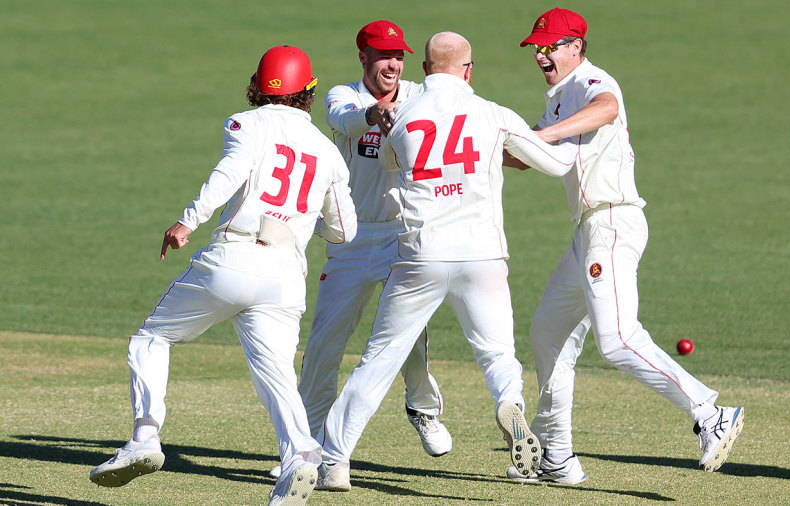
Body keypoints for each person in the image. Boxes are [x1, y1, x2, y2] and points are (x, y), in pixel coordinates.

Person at [88, 45, 357, 506]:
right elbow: (344, 231)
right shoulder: (328, 152)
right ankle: (300, 457)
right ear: (308, 94)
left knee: (151, 339)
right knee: (276, 374)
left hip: (233, 258)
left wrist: (188, 221)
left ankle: (145, 439)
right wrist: (298, 214)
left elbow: (229, 171)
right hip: (285, 275)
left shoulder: (246, 123)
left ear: (258, 86)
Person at [314, 31, 579, 492]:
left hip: (421, 254)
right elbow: (555, 165)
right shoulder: (493, 113)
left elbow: (394, 166)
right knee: (498, 353)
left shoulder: (404, 116)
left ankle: (335, 461)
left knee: (378, 359)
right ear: (468, 70)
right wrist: (585, 135)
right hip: (483, 255)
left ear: (424, 69)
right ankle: (508, 401)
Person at [504, 8, 744, 484]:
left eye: (551, 45)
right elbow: (534, 157)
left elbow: (609, 107)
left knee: (616, 340)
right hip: (586, 233)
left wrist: (542, 134)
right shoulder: (557, 97)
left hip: (612, 222)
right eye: (537, 46)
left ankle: (710, 412)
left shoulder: (591, 81)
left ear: (576, 45)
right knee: (548, 333)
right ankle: (558, 456)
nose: (542, 54)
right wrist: (485, 149)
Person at [295, 19, 451, 461]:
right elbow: (342, 120)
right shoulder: (343, 96)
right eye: (384, 55)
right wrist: (372, 115)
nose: (393, 64)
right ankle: (304, 448)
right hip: (350, 236)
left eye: (399, 56)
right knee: (325, 343)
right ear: (363, 56)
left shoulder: (423, 95)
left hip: (403, 234)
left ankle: (422, 408)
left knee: (407, 335)